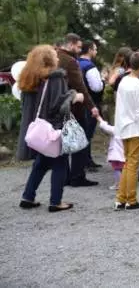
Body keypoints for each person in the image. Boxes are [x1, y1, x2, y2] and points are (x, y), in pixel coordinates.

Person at [18, 45, 83, 212]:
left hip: (38, 128)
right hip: (53, 128)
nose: (58, 58)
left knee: (41, 162)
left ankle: (28, 196)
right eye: (55, 55)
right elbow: (59, 106)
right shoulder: (56, 78)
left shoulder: (29, 78)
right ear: (48, 59)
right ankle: (56, 201)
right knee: (60, 162)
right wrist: (74, 96)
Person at [56, 33, 100, 187]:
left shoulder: (53, 56)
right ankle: (77, 176)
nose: (79, 50)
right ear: (71, 44)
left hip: (56, 106)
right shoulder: (69, 61)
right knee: (80, 141)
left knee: (62, 143)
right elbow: (80, 86)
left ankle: (66, 175)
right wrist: (92, 106)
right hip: (73, 106)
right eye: (79, 47)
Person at [113, 52, 139, 211]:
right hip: (134, 128)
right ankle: (131, 200)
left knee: (127, 163)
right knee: (132, 165)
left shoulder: (123, 81)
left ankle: (121, 198)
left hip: (122, 126)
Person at [78, 40, 104, 171]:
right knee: (87, 133)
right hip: (90, 103)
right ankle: (85, 161)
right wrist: (103, 82)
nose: (96, 51)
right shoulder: (90, 66)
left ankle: (84, 160)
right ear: (89, 50)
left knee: (82, 132)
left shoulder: (75, 63)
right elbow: (97, 87)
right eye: (94, 49)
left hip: (77, 103)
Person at [97, 116, 125, 191]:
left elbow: (105, 127)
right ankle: (124, 183)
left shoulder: (116, 129)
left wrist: (99, 118)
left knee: (117, 169)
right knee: (123, 169)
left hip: (116, 155)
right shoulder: (127, 131)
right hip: (124, 154)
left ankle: (118, 184)